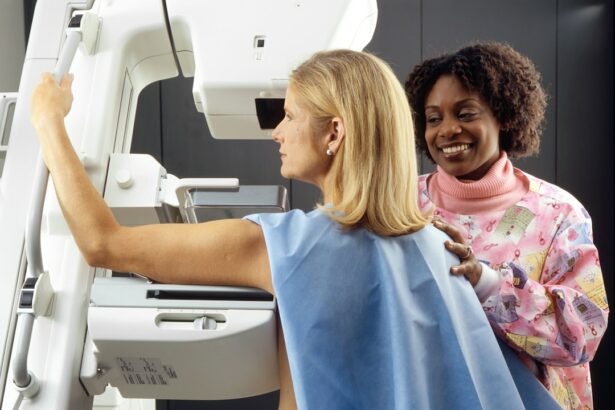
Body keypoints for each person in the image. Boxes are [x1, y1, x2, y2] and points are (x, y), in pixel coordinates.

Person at [33, 49, 545, 410]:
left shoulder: (283, 247)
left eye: (290, 115)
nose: (277, 132)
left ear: (334, 132)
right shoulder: (440, 246)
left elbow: (102, 242)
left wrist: (49, 123)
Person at [405, 42, 609, 410]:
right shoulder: (401, 204)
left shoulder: (558, 213)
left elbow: (584, 334)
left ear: (504, 115)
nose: (448, 129)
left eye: (466, 114)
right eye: (434, 119)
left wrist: (486, 284)